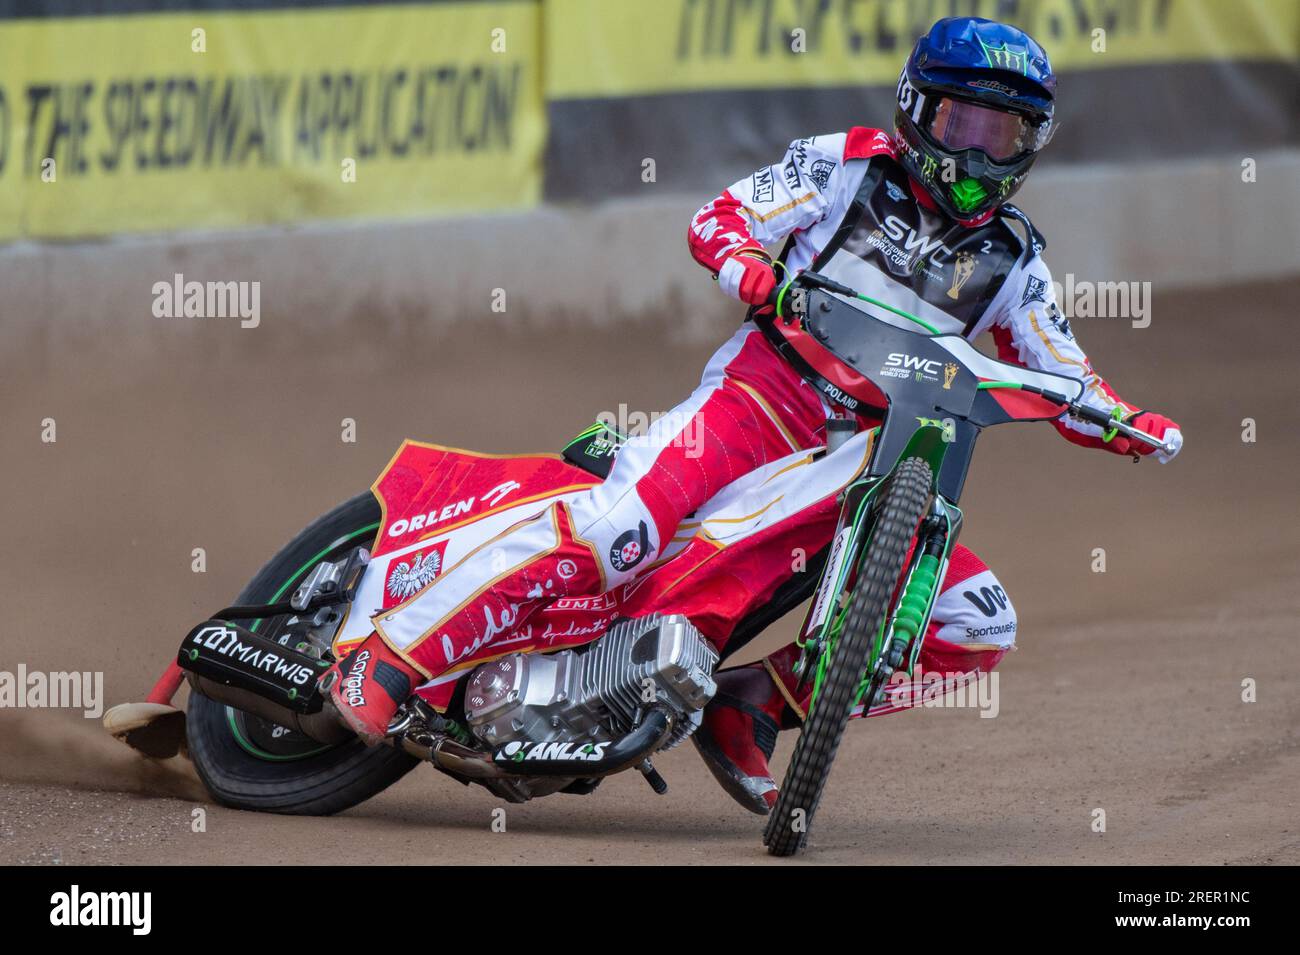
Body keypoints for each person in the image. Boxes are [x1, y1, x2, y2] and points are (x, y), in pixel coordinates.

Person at [322, 17, 1182, 814]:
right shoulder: (845, 163)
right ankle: (397, 654)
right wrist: (759, 275)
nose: (984, 150)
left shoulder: (1016, 257)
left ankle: (754, 702)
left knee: (979, 620)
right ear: (920, 112)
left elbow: (1065, 373)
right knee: (617, 528)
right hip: (756, 402)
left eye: (1007, 134)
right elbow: (718, 218)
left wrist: (1125, 418)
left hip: (868, 461)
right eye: (968, 125)